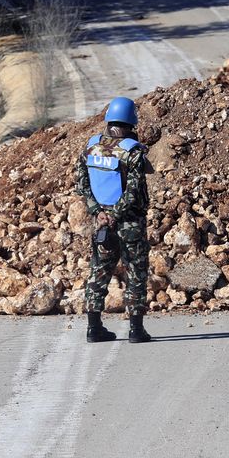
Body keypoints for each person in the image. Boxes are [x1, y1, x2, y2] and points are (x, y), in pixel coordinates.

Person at [75, 97, 152, 344]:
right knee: (136, 273)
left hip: (101, 224)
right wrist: (115, 215)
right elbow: (132, 192)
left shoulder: (90, 147)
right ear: (131, 121)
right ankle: (136, 330)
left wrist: (99, 213)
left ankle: (94, 327)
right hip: (129, 224)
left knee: (99, 272)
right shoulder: (133, 152)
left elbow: (83, 185)